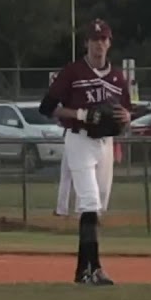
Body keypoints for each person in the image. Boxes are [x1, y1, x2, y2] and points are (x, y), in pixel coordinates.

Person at [39, 19, 131, 285]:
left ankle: (82, 270)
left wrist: (126, 116)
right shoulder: (73, 71)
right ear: (86, 43)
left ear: (109, 43)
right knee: (89, 202)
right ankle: (96, 268)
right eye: (94, 39)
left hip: (105, 144)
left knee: (96, 206)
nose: (99, 44)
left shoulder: (117, 77)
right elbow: (47, 107)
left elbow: (126, 114)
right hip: (79, 139)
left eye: (103, 39)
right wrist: (80, 113)